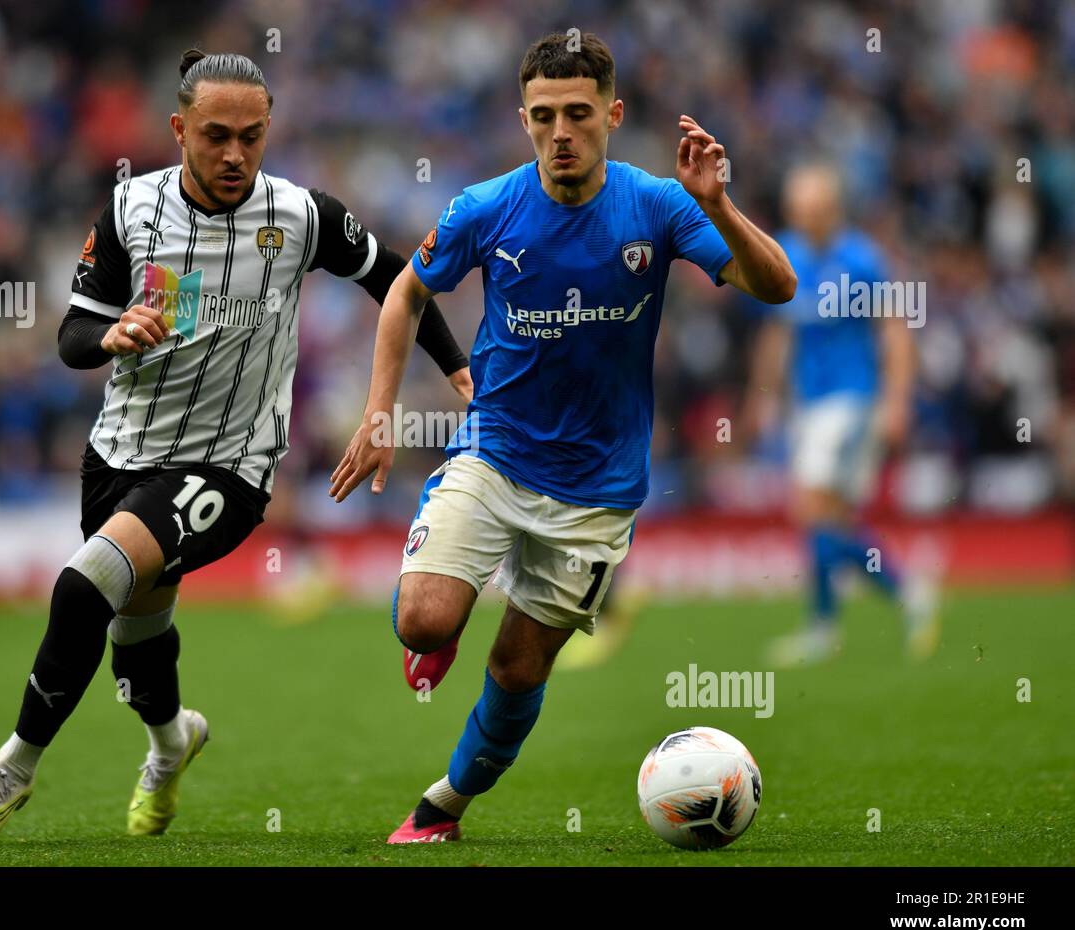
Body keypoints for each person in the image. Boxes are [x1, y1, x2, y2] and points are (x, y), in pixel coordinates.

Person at [0, 50, 471, 842]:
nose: (234, 155)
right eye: (216, 135)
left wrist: (460, 376)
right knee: (135, 643)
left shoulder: (300, 216)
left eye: (252, 137)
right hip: (118, 456)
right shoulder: (130, 208)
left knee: (86, 585)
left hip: (231, 465)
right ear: (178, 129)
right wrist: (112, 332)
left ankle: (10, 770)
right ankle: (170, 742)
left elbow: (400, 280)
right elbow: (73, 333)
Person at [329, 32, 795, 843]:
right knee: (424, 621)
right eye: (543, 116)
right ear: (524, 119)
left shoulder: (657, 205)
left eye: (578, 113)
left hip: (598, 490)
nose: (561, 133)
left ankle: (444, 806)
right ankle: (439, 629)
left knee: (516, 670)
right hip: (495, 453)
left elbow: (778, 286)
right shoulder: (485, 207)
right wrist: (380, 411)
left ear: (613, 115)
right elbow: (406, 290)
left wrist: (718, 203)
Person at [743, 163, 938, 668]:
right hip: (808, 405)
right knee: (832, 520)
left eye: (811, 210)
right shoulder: (784, 253)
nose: (802, 219)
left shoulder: (861, 259)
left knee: (810, 505)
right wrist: (763, 395)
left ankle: (830, 623)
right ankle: (901, 596)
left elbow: (893, 330)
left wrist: (898, 400)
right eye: (796, 210)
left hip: (853, 400)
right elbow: (778, 331)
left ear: (831, 209)